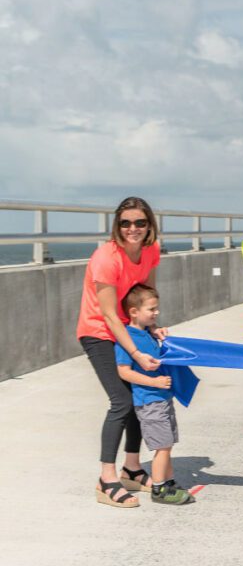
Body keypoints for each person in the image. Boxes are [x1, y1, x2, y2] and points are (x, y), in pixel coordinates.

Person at [78, 196, 164, 509]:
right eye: (125, 223)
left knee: (139, 396)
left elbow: (146, 296)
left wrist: (153, 328)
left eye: (140, 222)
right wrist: (137, 354)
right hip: (98, 331)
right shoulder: (106, 257)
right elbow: (110, 315)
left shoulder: (151, 250)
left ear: (149, 225)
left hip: (128, 328)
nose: (133, 228)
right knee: (121, 400)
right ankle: (106, 479)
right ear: (117, 225)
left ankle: (132, 468)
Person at [114, 285, 194, 505]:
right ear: (134, 311)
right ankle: (159, 489)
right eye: (151, 309)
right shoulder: (126, 339)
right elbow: (124, 371)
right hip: (149, 401)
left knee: (168, 444)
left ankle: (168, 481)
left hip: (163, 398)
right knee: (162, 446)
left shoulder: (149, 333)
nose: (156, 313)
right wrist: (153, 381)